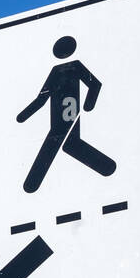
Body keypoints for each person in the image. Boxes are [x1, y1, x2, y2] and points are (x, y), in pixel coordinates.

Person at [16, 36, 117, 193]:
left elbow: (95, 85)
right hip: (58, 119)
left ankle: (31, 184)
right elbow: (42, 98)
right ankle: (107, 166)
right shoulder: (57, 71)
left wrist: (88, 105)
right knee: (67, 144)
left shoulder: (75, 67)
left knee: (60, 145)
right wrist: (23, 116)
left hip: (71, 116)